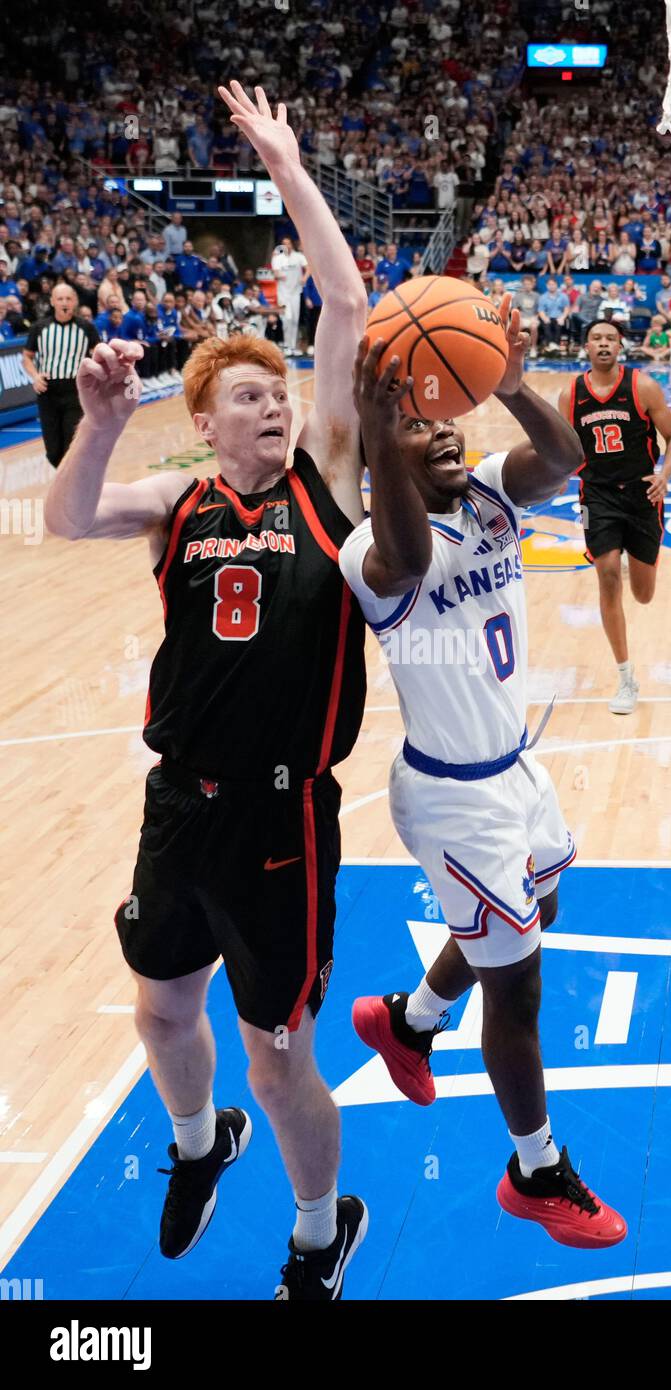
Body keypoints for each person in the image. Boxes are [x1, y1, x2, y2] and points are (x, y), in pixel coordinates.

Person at [43, 81, 370, 1303]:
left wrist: (287, 164)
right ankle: (198, 1144)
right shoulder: (176, 503)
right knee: (161, 1016)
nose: (275, 402)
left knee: (279, 1055)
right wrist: (99, 421)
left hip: (283, 817)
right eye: (249, 393)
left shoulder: (324, 480)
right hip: (179, 800)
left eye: (281, 391)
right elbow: (69, 516)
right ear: (206, 418)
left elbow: (342, 302)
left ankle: (315, 1227)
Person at [341, 303, 628, 1251]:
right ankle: (535, 1168)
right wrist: (383, 430)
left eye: (447, 413)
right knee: (518, 989)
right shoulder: (368, 548)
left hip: (515, 772)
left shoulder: (491, 498)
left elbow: (563, 458)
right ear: (390, 451)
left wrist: (505, 379)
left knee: (536, 914)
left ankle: (411, 1021)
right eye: (423, 423)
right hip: (453, 798)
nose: (446, 429)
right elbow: (413, 555)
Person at [557, 320, 671, 714]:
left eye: (611, 338)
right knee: (607, 573)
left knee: (643, 595)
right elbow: (562, 447)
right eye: (597, 338)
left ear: (620, 346)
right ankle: (626, 676)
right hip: (596, 496)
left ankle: (634, 557)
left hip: (643, 494)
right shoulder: (570, 394)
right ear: (587, 347)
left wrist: (664, 475)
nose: (604, 344)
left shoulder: (642, 387)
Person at [22, 283, 99, 467]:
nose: (65, 302)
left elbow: (98, 354)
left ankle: (71, 488)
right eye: (60, 298)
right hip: (48, 391)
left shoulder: (86, 328)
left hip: (75, 390)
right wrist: (35, 376)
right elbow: (26, 357)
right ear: (52, 302)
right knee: (53, 450)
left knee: (70, 445)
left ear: (75, 302)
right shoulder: (39, 328)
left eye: (68, 298)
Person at [271, 236, 307, 357]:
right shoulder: (277, 259)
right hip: (283, 294)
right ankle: (286, 345)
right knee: (287, 319)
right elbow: (275, 273)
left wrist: (304, 278)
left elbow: (309, 268)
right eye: (284, 244)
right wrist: (279, 276)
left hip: (295, 293)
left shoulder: (299, 257)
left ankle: (293, 346)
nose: (287, 246)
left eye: (289, 243)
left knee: (295, 319)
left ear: (292, 245)